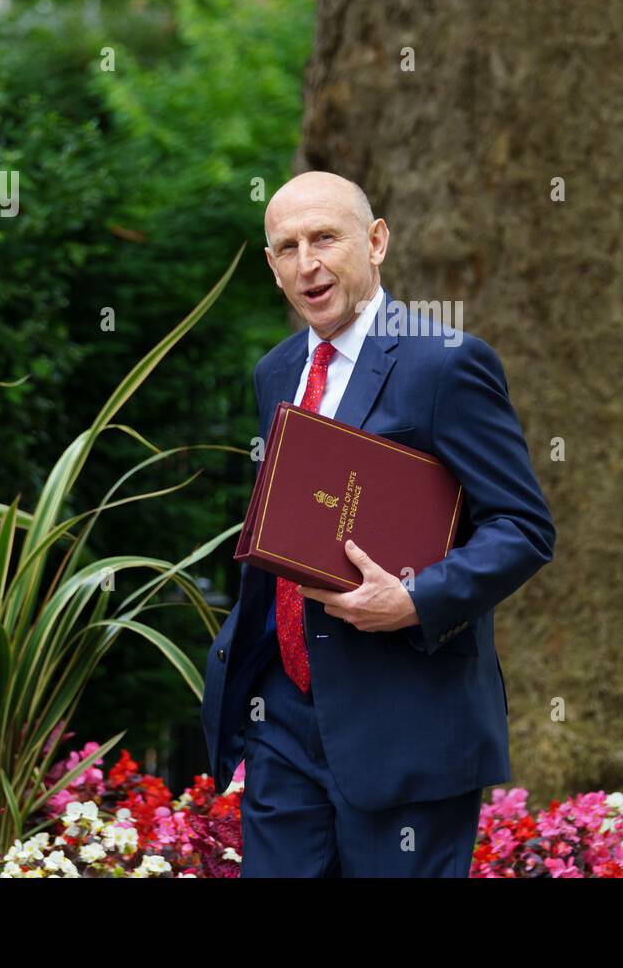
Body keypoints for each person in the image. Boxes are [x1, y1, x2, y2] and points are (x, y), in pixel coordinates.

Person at [201, 170, 555, 877]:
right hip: (283, 717)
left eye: (325, 238)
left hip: (407, 725)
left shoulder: (445, 365)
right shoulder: (275, 373)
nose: (309, 264)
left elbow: (522, 526)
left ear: (376, 241)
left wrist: (416, 600)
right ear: (272, 267)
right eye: (287, 247)